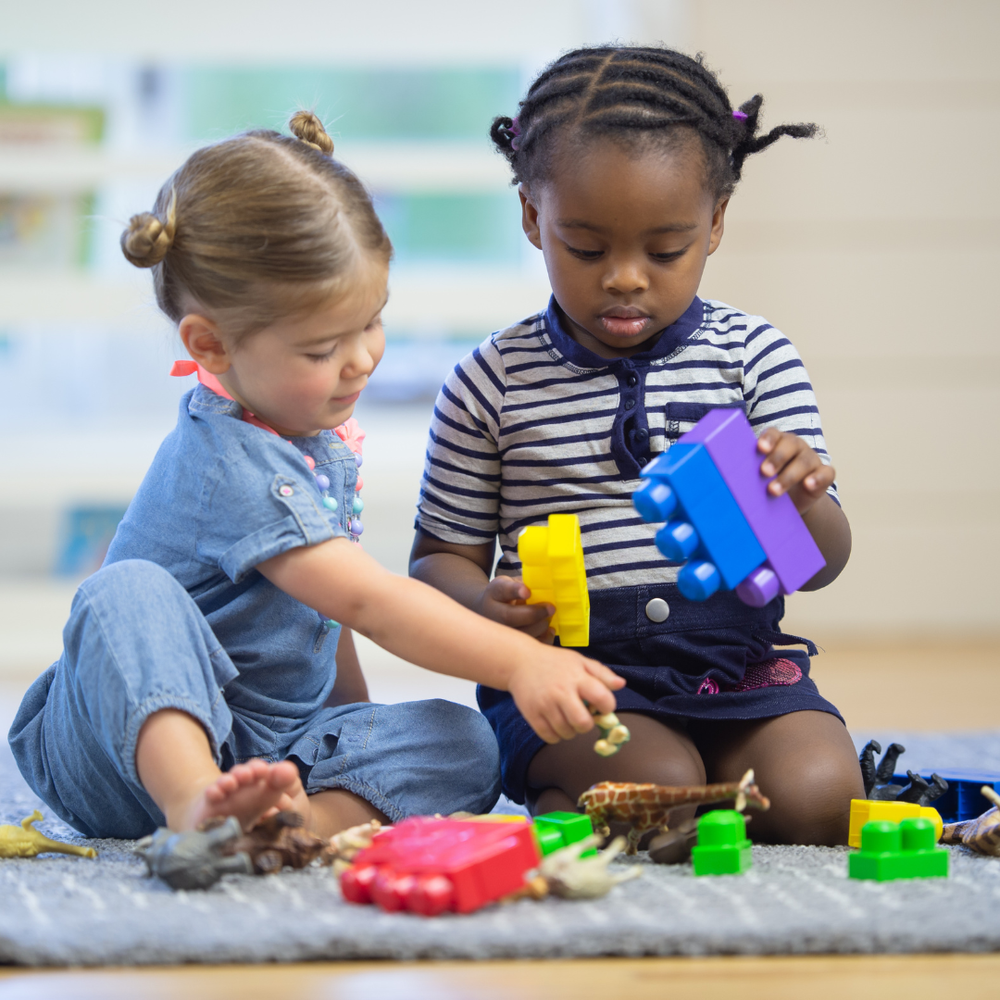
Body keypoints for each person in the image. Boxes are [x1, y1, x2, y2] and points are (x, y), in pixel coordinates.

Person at [8, 112, 623, 842]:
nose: (363, 358)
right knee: (123, 590)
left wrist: (351, 735)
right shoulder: (227, 458)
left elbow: (327, 618)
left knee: (467, 741)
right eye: (325, 346)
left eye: (373, 321)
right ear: (212, 343)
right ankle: (196, 808)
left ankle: (295, 824)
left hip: (266, 747)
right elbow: (369, 601)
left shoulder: (312, 439)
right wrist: (520, 660)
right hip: (119, 751)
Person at [409, 47, 864, 847]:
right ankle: (588, 785)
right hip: (573, 678)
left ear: (715, 223)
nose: (625, 278)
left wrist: (802, 502)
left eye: (665, 250)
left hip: (741, 664)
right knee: (661, 795)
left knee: (821, 801)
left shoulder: (754, 356)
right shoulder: (491, 381)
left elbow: (819, 565)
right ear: (530, 217)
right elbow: (437, 561)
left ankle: (701, 776)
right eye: (586, 249)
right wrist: (488, 609)